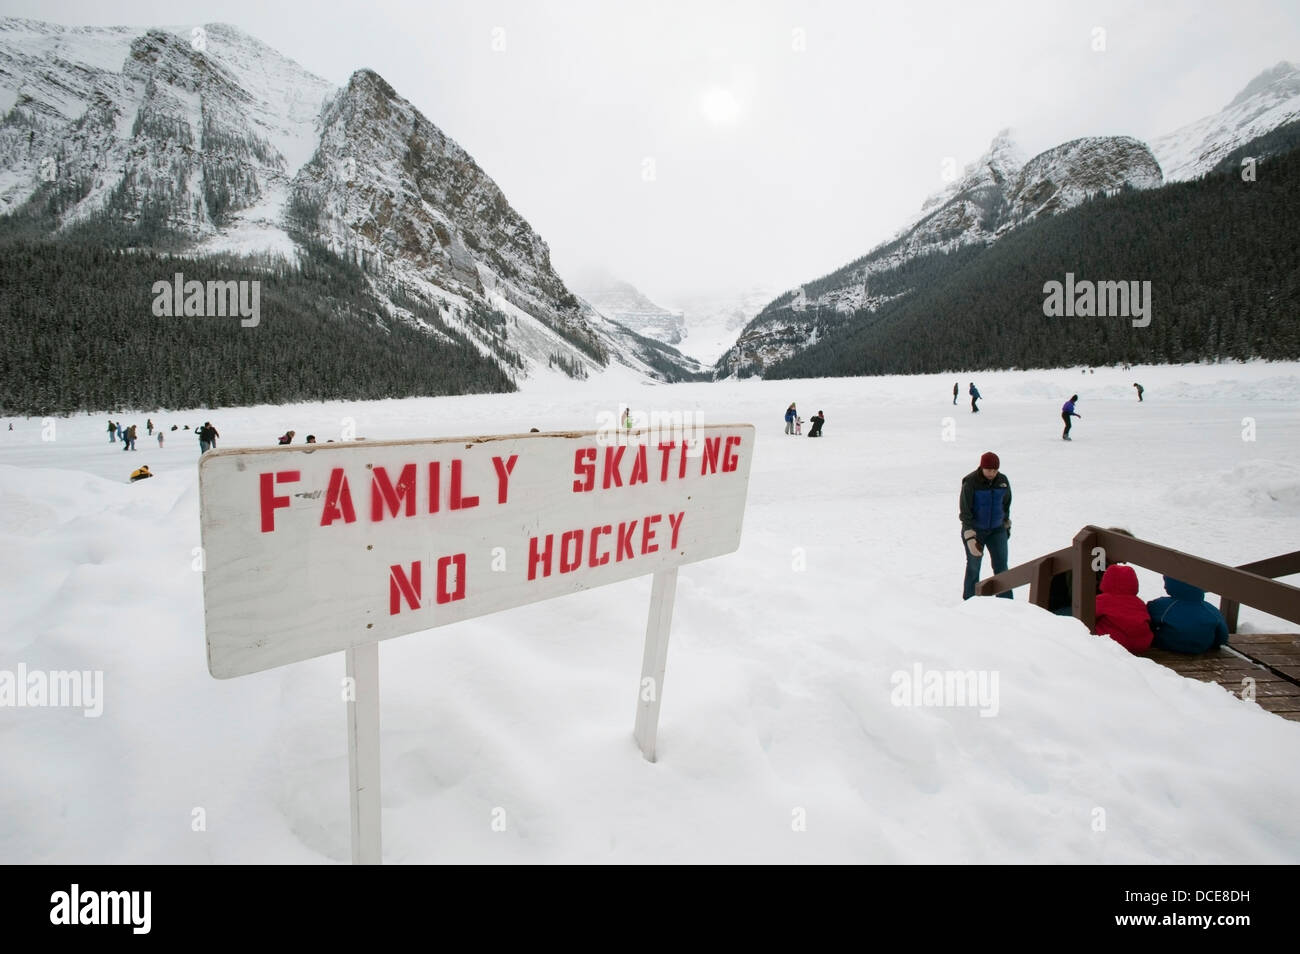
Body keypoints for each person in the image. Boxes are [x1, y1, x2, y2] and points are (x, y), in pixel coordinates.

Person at [959, 451, 1012, 600]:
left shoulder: (1003, 481)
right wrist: (970, 536)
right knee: (973, 567)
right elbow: (965, 511)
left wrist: (1006, 526)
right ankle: (970, 601)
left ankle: (1007, 602)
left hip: (997, 530)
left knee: (1002, 567)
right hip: (976, 532)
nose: (992, 473)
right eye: (989, 470)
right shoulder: (970, 482)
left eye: (995, 470)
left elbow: (1006, 505)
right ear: (982, 467)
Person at [1147, 578, 1230, 654]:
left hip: (1167, 645)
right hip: (1202, 648)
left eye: (1167, 583)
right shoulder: (1211, 610)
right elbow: (1223, 635)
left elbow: (1148, 621)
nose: (1164, 586)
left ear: (1174, 586)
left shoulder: (1162, 605)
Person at [1094, 564, 1153, 653]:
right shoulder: (1138, 602)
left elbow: (1088, 615)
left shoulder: (1102, 599)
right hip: (1142, 643)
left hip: (1116, 642)